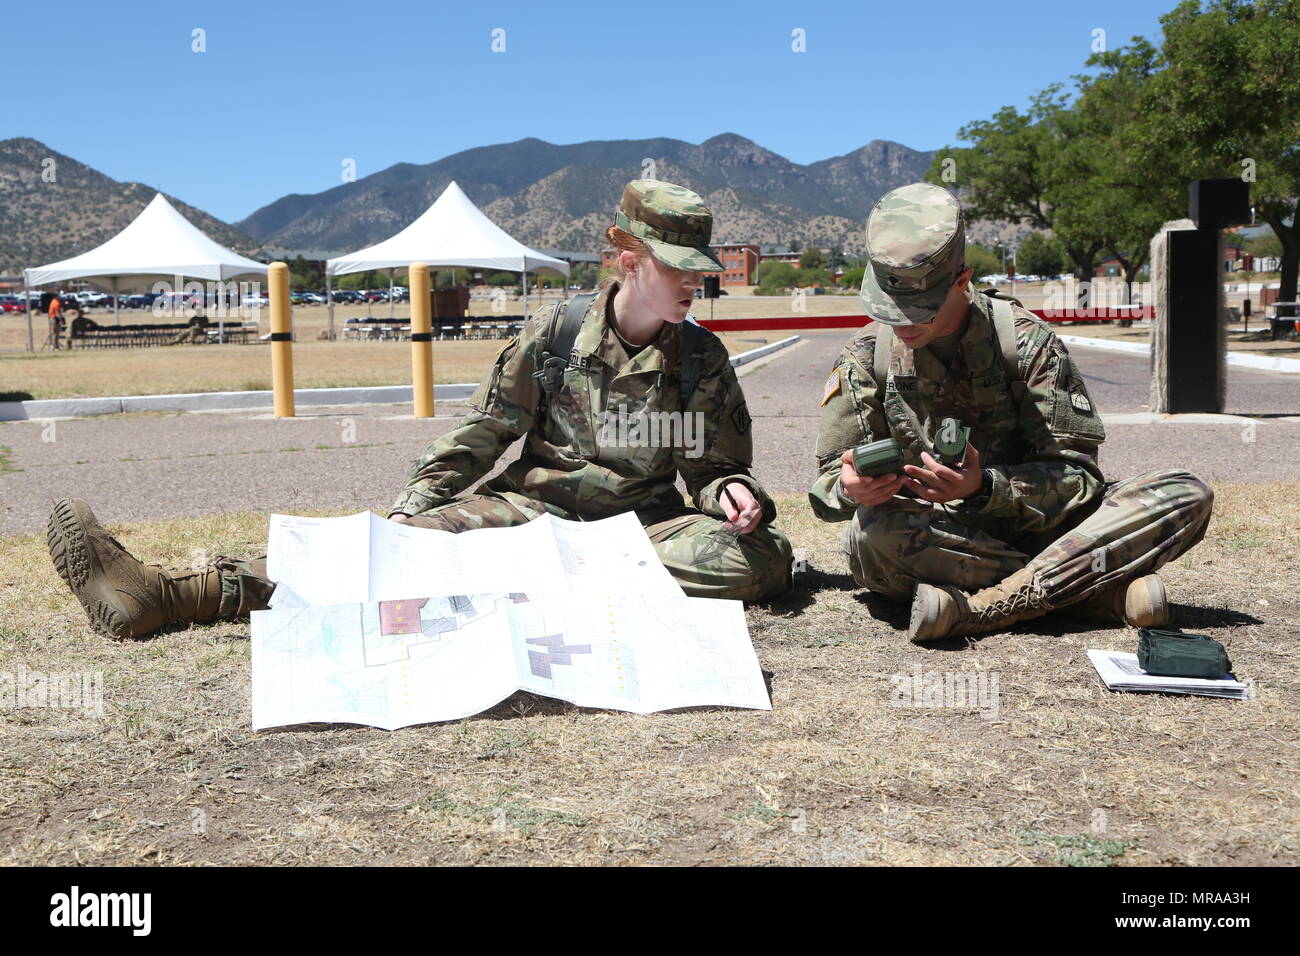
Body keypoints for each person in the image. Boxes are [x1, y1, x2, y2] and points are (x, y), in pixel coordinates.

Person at [48, 179, 794, 641]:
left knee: (763, 559)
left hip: (641, 531)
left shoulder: (702, 358)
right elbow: (485, 433)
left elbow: (713, 465)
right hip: (536, 514)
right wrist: (413, 510)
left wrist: (732, 492)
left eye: (702, 269)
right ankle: (175, 596)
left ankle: (524, 578)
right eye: (680, 269)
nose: (698, 284)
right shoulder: (557, 332)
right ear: (631, 262)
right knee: (400, 549)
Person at [809, 182, 1213, 644]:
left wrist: (985, 487)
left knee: (1185, 492)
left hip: (1044, 530)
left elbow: (1079, 479)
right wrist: (851, 487)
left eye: (918, 309)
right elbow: (826, 486)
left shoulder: (1025, 343)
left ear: (962, 281)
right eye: (889, 306)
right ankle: (1088, 592)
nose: (901, 322)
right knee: (871, 533)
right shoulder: (866, 355)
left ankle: (985, 607)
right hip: (946, 539)